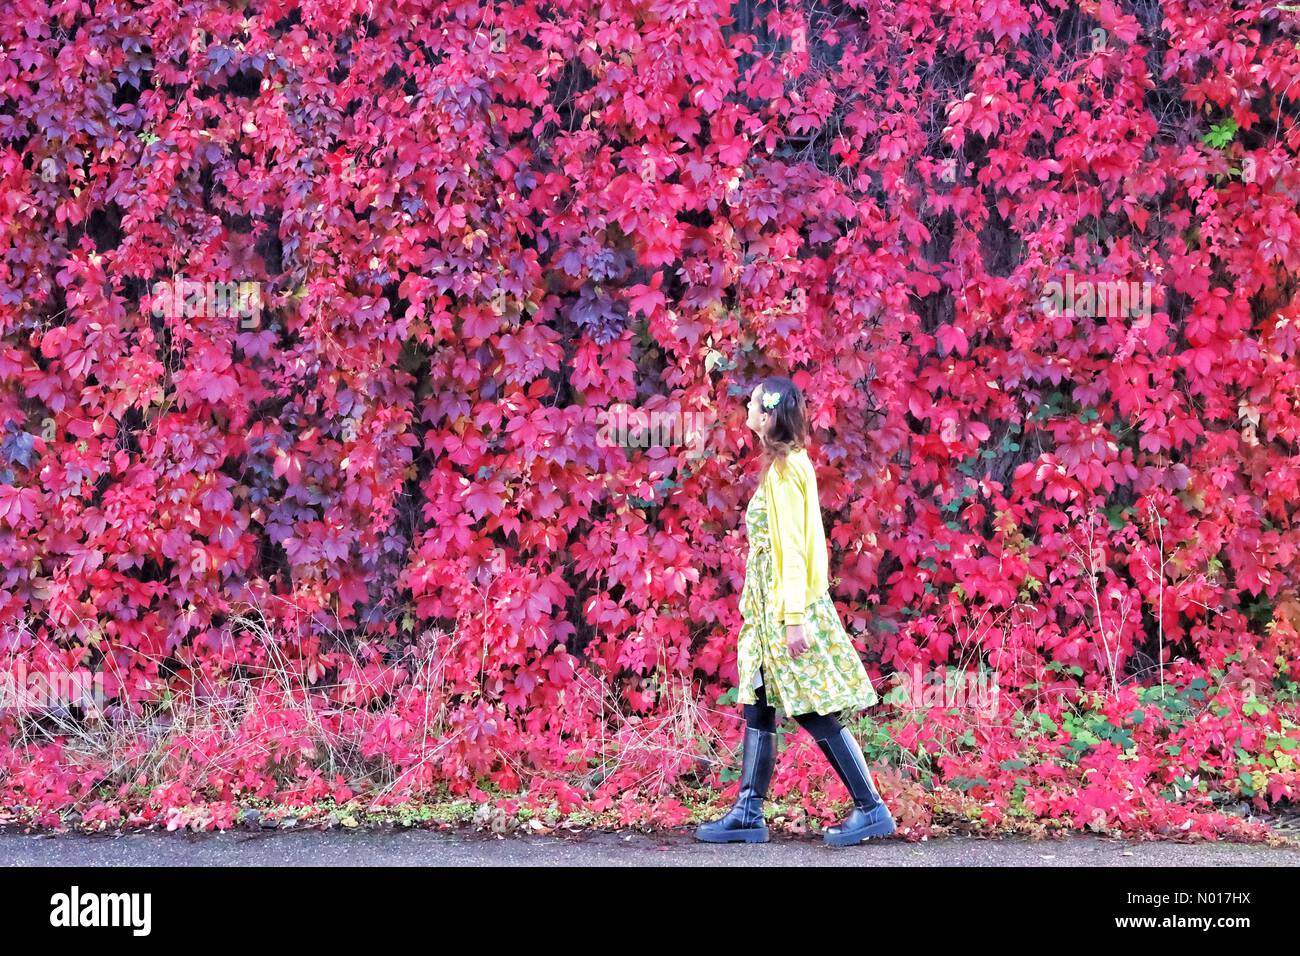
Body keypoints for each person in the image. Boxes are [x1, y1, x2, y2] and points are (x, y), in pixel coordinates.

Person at [695, 375, 896, 847]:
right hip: (772, 606)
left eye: (751, 403)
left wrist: (793, 618)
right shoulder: (790, 464)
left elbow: (793, 548)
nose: (744, 408)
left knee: (810, 706)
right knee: (760, 698)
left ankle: (870, 809)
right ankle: (748, 811)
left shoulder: (786, 471)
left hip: (786, 607)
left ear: (767, 415)